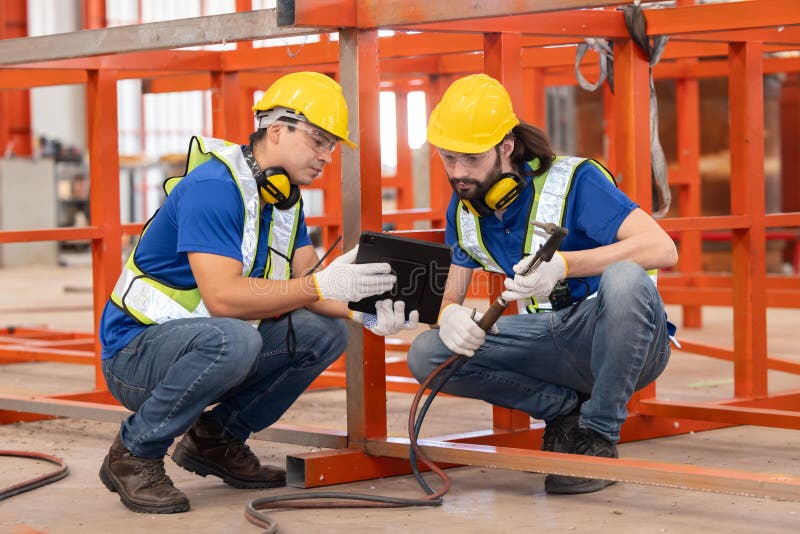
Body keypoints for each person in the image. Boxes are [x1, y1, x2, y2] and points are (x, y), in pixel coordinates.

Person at [98, 71, 419, 514]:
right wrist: (316, 284)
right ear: (276, 130)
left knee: (324, 332)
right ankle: (133, 454)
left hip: (203, 346)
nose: (326, 156)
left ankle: (215, 440)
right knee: (235, 336)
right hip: (135, 357)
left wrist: (360, 311)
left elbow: (311, 285)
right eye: (318, 140)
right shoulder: (213, 188)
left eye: (331, 146)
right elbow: (224, 300)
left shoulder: (284, 199)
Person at [407, 74, 678, 494]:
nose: (458, 173)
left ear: (507, 147)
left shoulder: (576, 181)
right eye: (447, 157)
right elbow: (452, 291)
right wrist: (448, 316)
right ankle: (566, 413)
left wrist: (565, 265)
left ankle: (597, 438)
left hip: (622, 337)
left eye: (471, 159)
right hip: (550, 339)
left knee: (625, 279)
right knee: (428, 353)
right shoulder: (462, 208)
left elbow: (662, 248)